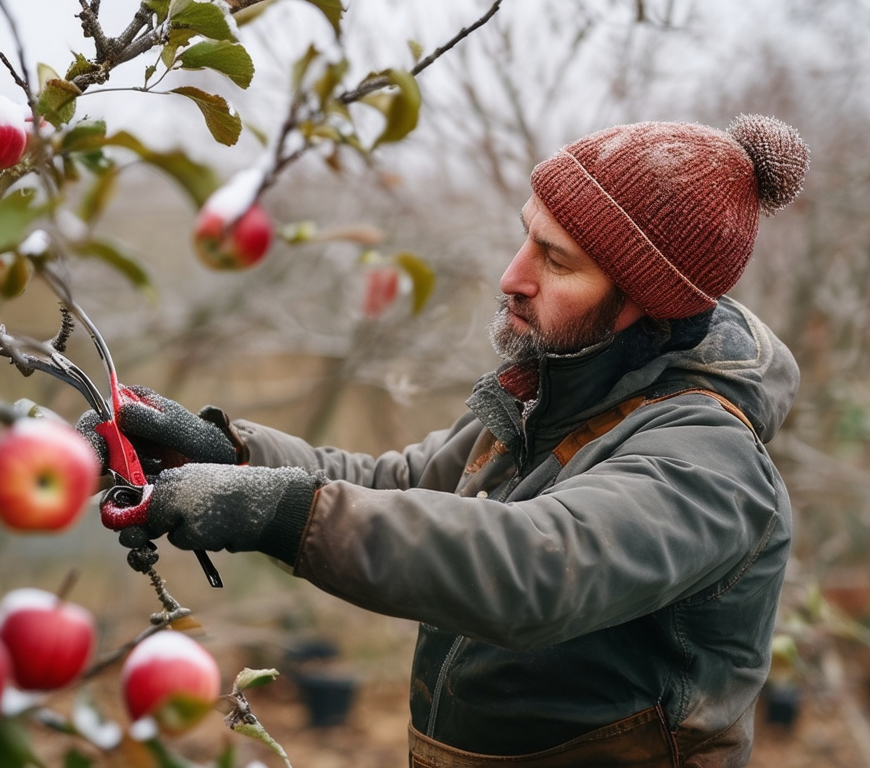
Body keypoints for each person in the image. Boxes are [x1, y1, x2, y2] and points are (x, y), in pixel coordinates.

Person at [80, 114, 809, 767]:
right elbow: (401, 483)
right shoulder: (544, 398)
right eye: (527, 236)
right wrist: (226, 453)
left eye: (556, 261)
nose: (513, 276)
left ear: (643, 305)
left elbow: (538, 567)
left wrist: (275, 511)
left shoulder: (708, 458)